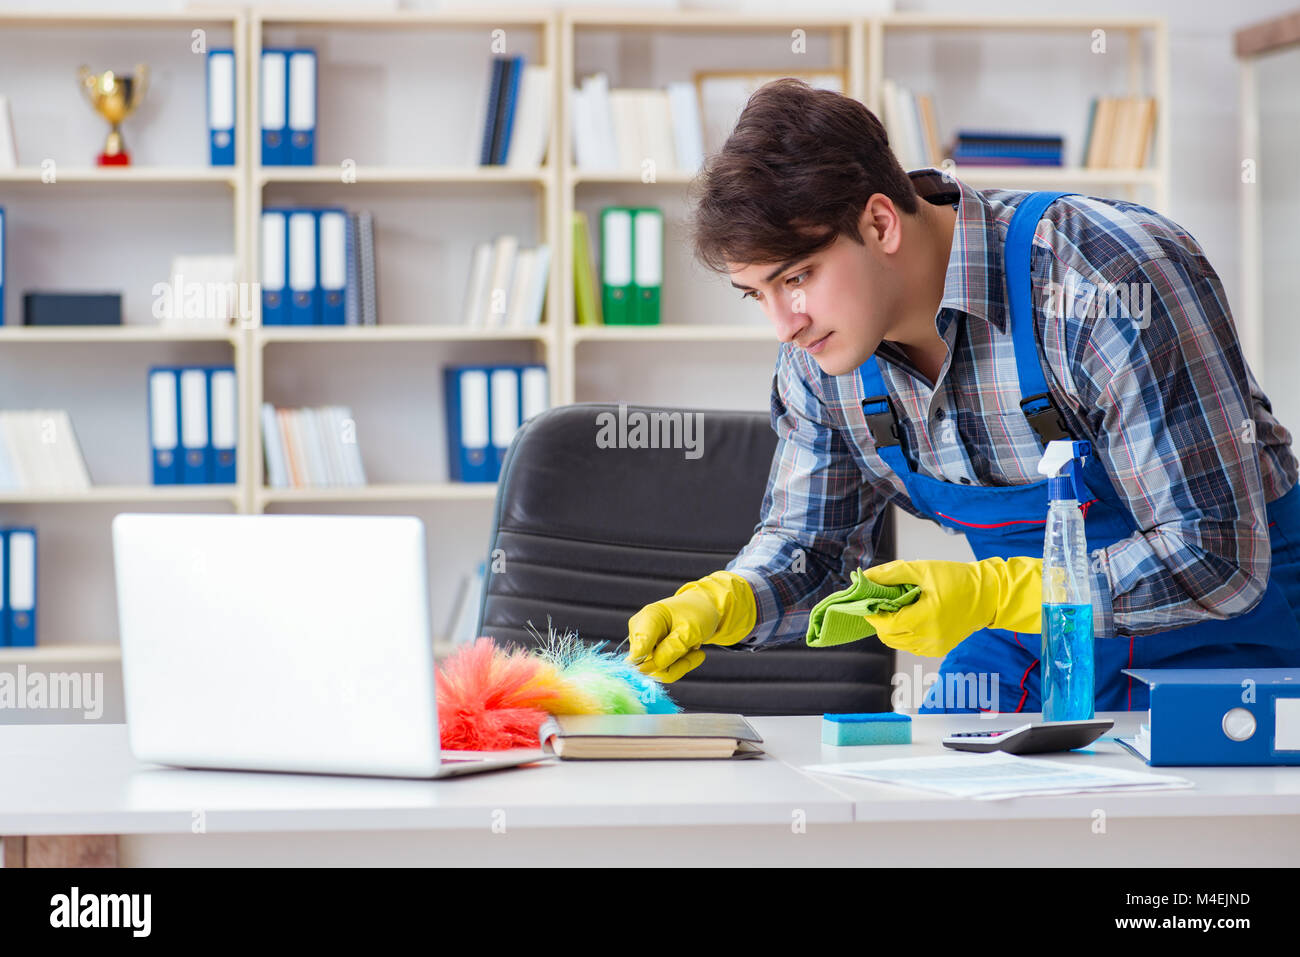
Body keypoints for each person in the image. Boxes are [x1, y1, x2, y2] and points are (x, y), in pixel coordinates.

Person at [625, 78, 1300, 713]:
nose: (784, 322)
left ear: (881, 223)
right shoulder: (820, 358)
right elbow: (815, 549)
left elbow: (1218, 557)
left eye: (797, 276)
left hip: (1237, 636)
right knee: (939, 796)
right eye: (758, 295)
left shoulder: (1102, 280)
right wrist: (729, 599)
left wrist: (993, 593)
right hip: (1033, 637)